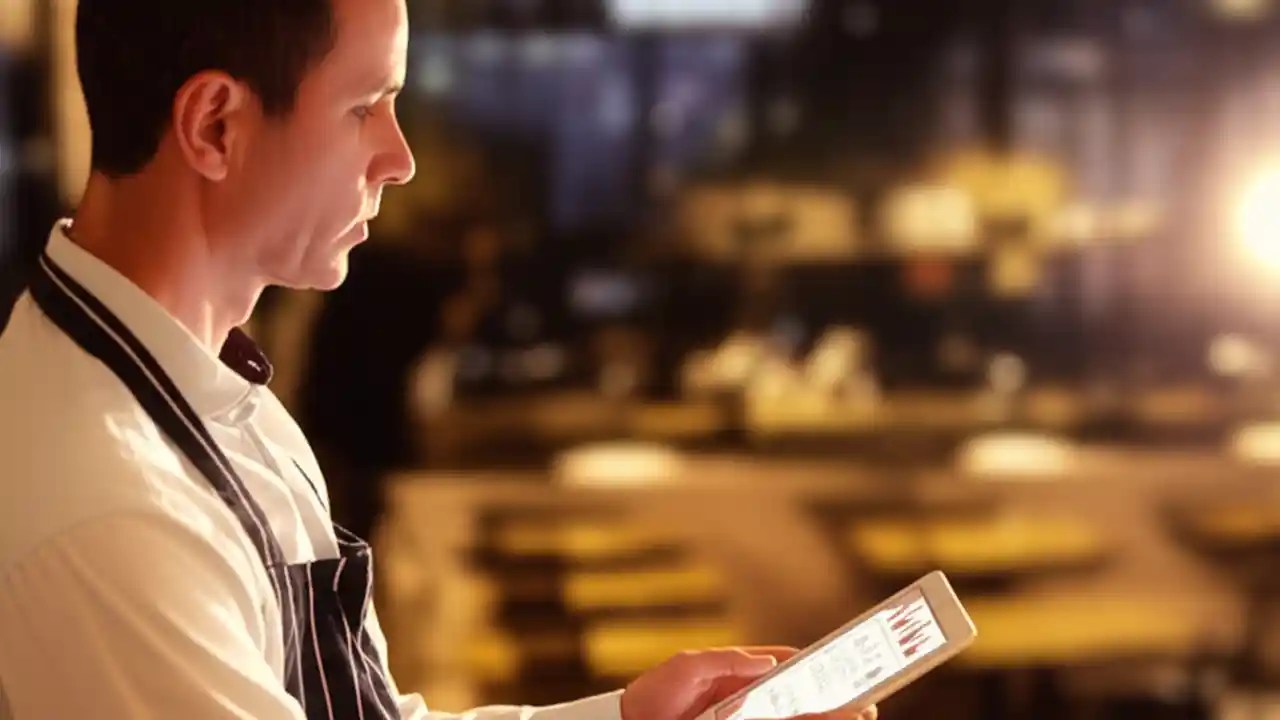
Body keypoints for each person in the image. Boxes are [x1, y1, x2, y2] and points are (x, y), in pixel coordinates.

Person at [0, 1, 878, 719]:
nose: (400, 158)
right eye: (363, 108)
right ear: (216, 126)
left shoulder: (211, 398)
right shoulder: (110, 509)